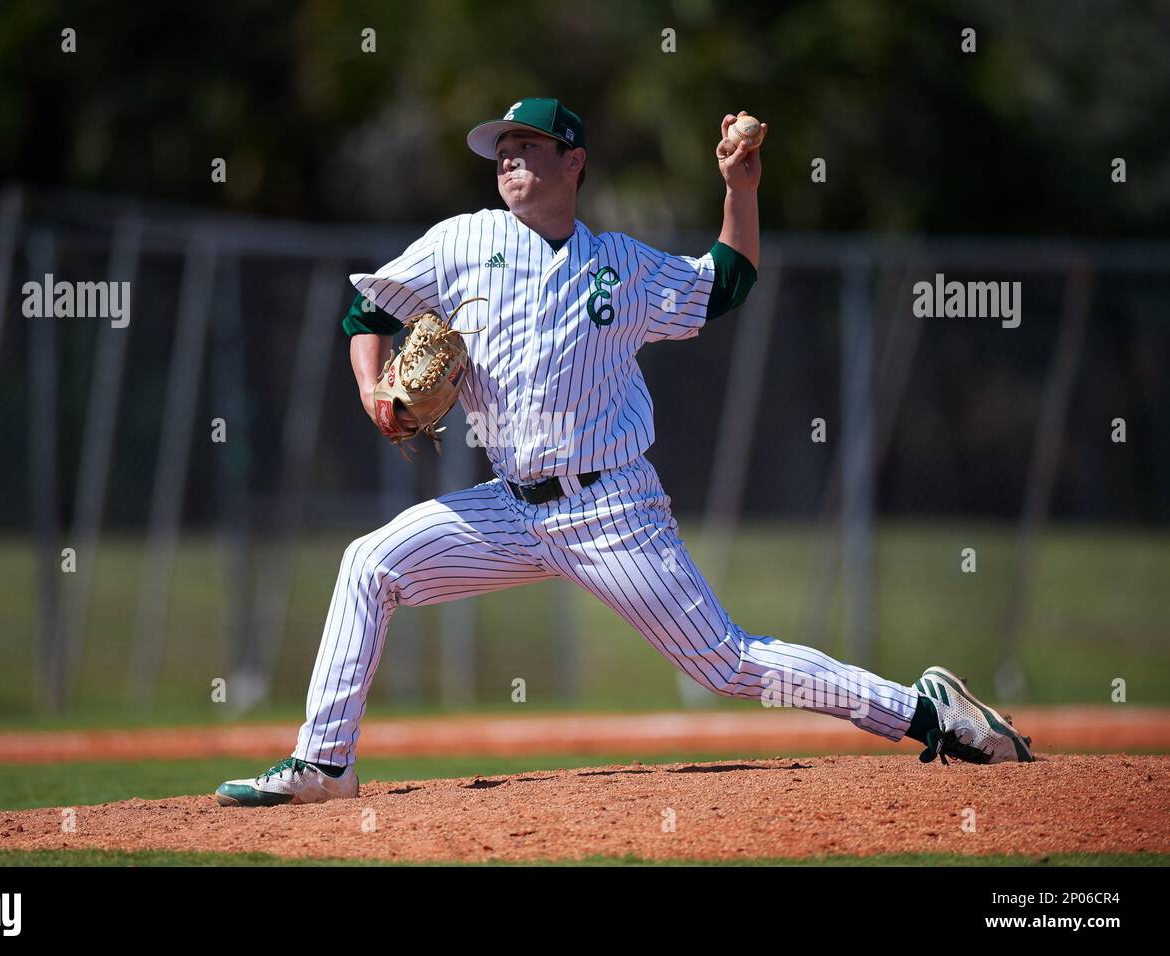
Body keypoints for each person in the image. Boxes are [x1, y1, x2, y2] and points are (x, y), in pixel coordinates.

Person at [216, 98, 1034, 807]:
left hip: (611, 506)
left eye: (526, 146)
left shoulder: (621, 266)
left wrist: (739, 189)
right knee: (370, 564)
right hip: (508, 506)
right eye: (500, 150)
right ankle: (325, 763)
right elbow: (366, 310)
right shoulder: (460, 242)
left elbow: (727, 281)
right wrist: (371, 391)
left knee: (726, 665)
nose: (507, 159)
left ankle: (929, 713)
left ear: (573, 162)